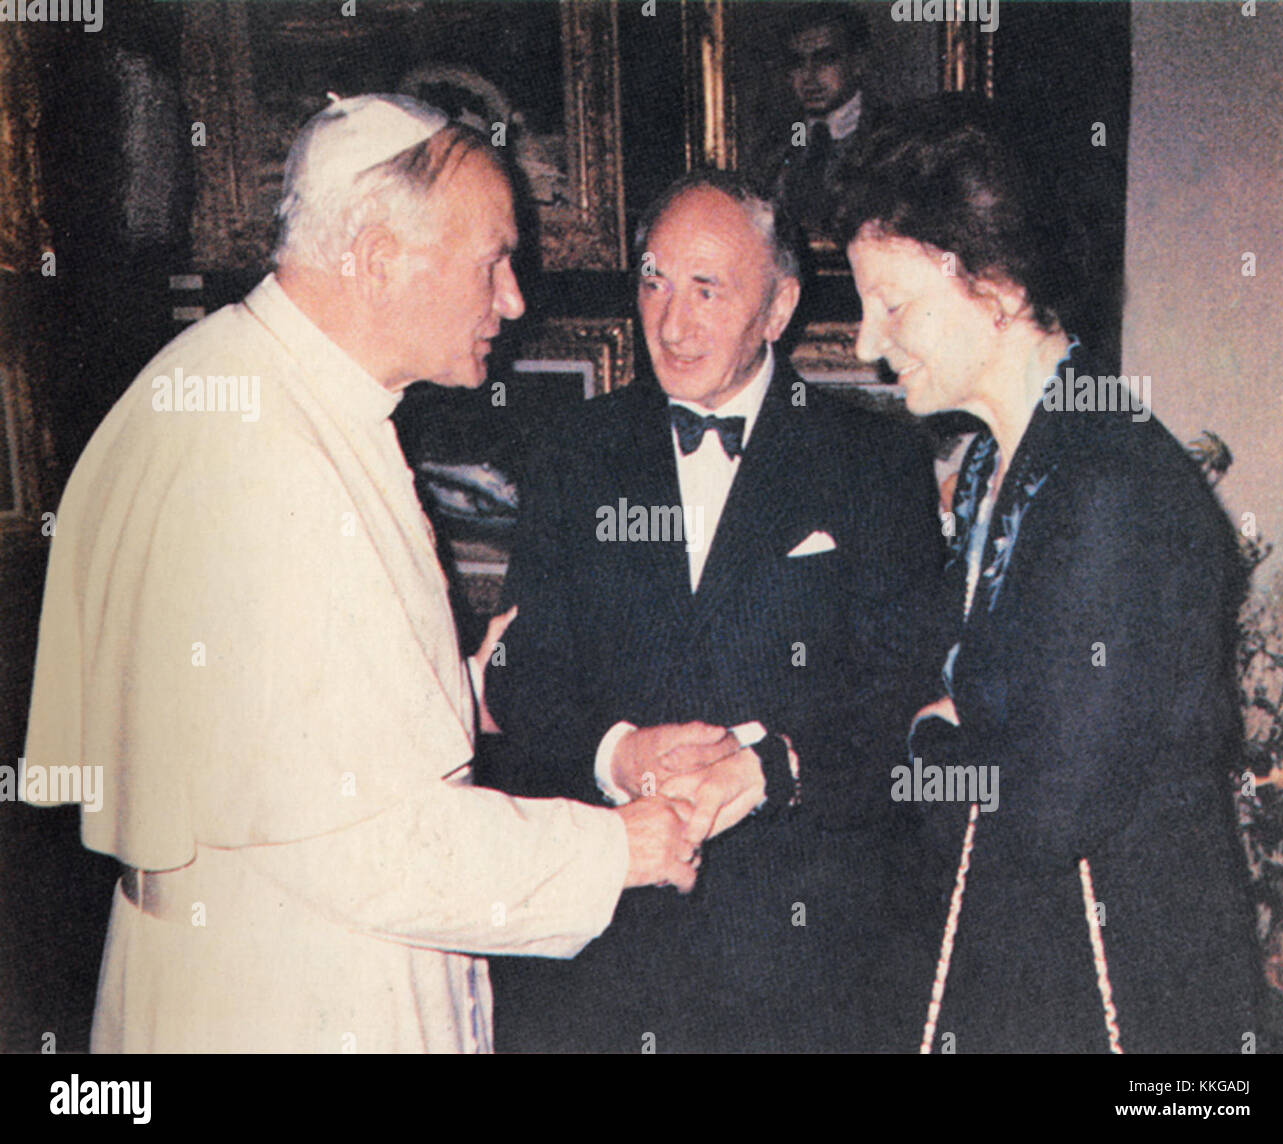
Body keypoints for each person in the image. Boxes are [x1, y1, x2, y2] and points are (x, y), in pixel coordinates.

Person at [20, 93, 701, 1054]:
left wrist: (484, 692)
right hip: (297, 991)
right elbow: (363, 847)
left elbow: (299, 737)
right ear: (380, 258)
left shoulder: (236, 384)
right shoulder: (259, 455)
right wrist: (618, 847)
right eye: (494, 261)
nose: (513, 300)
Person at [481, 169, 947, 1052]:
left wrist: (769, 764)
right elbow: (519, 666)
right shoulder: (574, 450)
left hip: (802, 957)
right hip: (600, 953)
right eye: (654, 280)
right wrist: (615, 751)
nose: (671, 320)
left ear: (778, 308)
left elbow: (906, 693)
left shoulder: (874, 462)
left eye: (707, 289)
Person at [838, 95, 1262, 1052]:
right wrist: (954, 735)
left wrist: (928, 744)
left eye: (892, 304)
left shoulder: (1111, 482)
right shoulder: (998, 462)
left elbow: (1042, 813)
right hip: (1031, 966)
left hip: (1134, 996)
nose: (866, 345)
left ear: (995, 282)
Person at [763, 5, 871, 236]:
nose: (809, 76)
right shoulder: (780, 142)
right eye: (797, 63)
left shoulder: (889, 135)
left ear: (858, 62)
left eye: (826, 59)